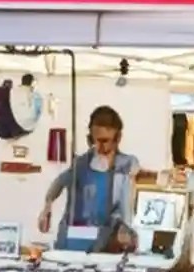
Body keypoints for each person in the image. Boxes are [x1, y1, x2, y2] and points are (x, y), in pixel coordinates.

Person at [38, 106, 139, 252]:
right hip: (73, 238)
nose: (98, 146)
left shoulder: (126, 165)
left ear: (117, 138)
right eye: (94, 140)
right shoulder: (81, 164)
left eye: (104, 141)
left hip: (105, 240)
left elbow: (127, 203)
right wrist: (47, 207)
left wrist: (126, 227)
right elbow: (59, 182)